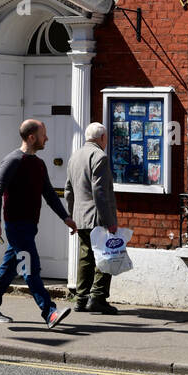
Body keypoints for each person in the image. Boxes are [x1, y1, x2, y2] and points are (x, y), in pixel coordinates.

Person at [0, 118, 77, 328]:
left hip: (29, 226)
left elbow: (49, 194)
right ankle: (49, 312)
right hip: (16, 226)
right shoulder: (13, 160)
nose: (47, 138)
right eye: (44, 134)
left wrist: (66, 217)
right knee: (31, 268)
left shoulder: (39, 164)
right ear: (32, 137)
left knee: (7, 271)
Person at [65, 121, 120, 314]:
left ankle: (80, 299)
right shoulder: (100, 157)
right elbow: (100, 193)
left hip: (81, 217)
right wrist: (110, 222)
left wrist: (72, 216)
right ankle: (97, 298)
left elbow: (68, 191)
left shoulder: (75, 156)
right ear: (102, 138)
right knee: (106, 256)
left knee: (86, 258)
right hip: (98, 217)